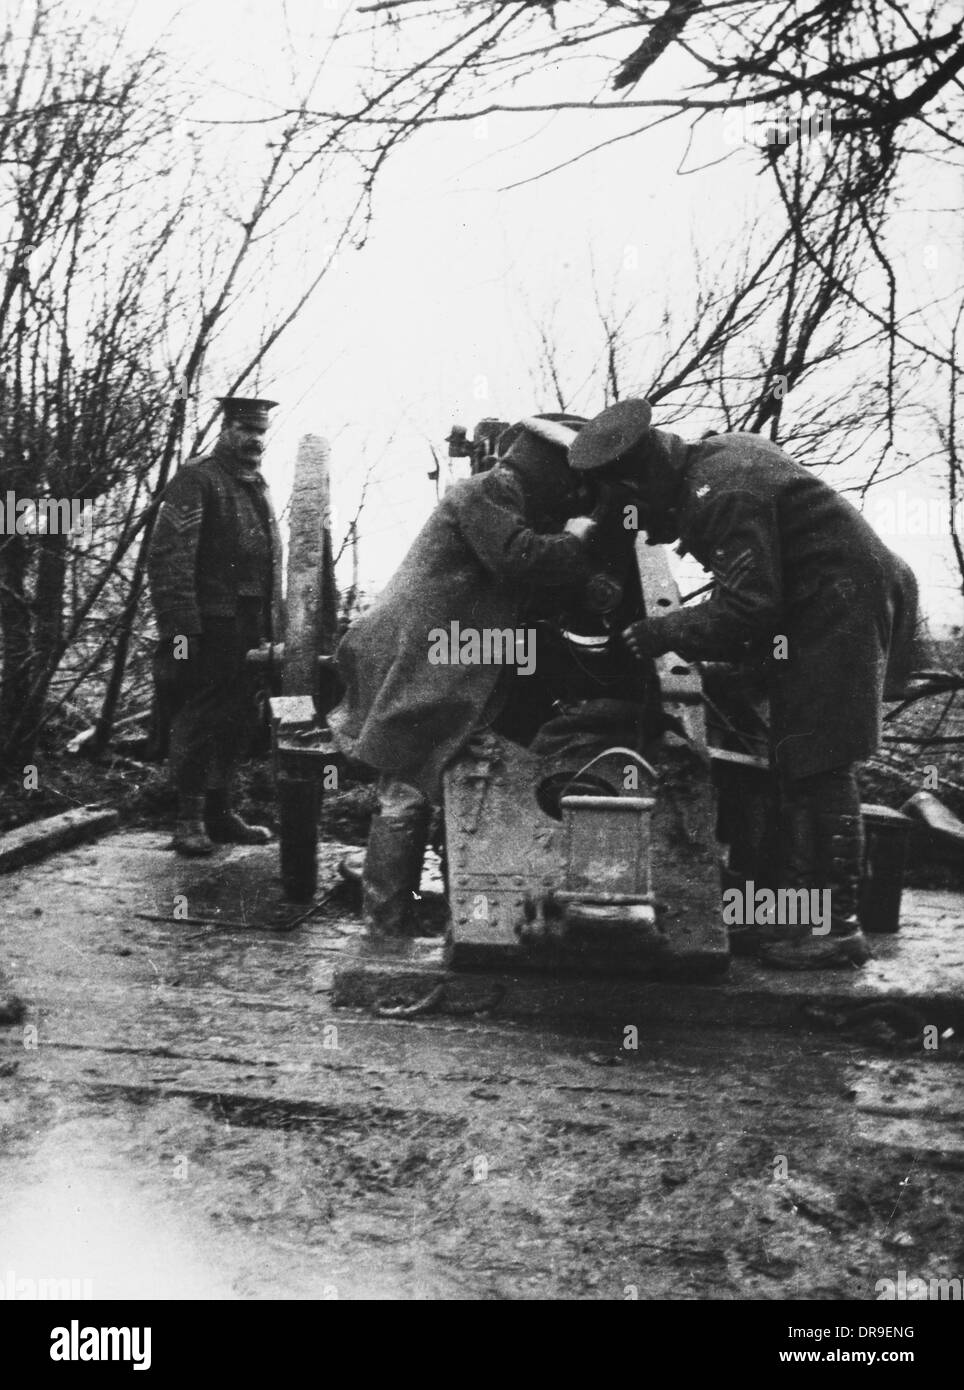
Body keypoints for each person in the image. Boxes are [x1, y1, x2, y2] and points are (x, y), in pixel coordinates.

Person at [569, 398, 927, 969]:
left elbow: (750, 606)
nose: (659, 527)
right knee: (792, 763)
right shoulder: (719, 458)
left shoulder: (722, 491)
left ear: (644, 476)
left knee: (819, 766)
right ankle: (792, 918)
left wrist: (664, 631)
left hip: (838, 608)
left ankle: (837, 929)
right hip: (826, 604)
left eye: (644, 508)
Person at [328, 416, 597, 937]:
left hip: (446, 661)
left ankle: (434, 921)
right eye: (571, 476)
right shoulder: (487, 491)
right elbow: (518, 559)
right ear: (547, 466)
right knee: (406, 786)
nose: (574, 490)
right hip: (420, 661)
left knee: (439, 781)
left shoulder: (507, 498)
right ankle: (384, 927)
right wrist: (575, 539)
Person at [148, 396, 283, 856]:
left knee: (240, 717)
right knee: (200, 715)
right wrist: (182, 629)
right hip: (208, 623)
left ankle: (219, 812)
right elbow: (170, 555)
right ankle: (187, 819)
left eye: (261, 432)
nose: (255, 441)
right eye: (246, 430)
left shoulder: (255, 484)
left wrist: (273, 624)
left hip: (250, 622)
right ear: (225, 429)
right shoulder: (197, 478)